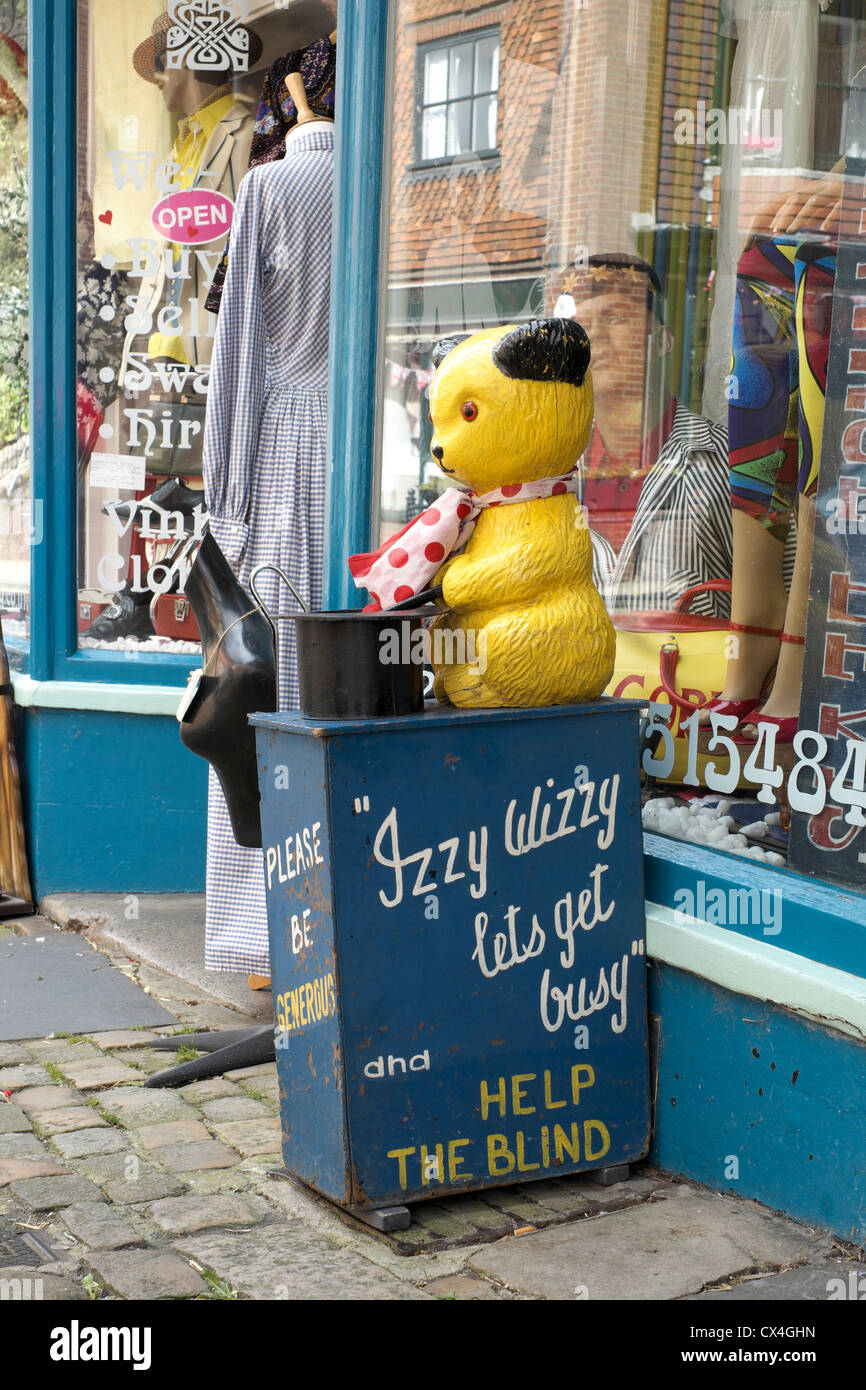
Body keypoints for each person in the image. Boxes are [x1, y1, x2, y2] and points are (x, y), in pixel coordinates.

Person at [554, 254, 734, 616]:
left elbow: (780, 608)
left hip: (683, 673)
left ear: (664, 339)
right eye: (580, 326)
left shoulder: (724, 460)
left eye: (616, 317)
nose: (596, 336)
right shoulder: (550, 475)